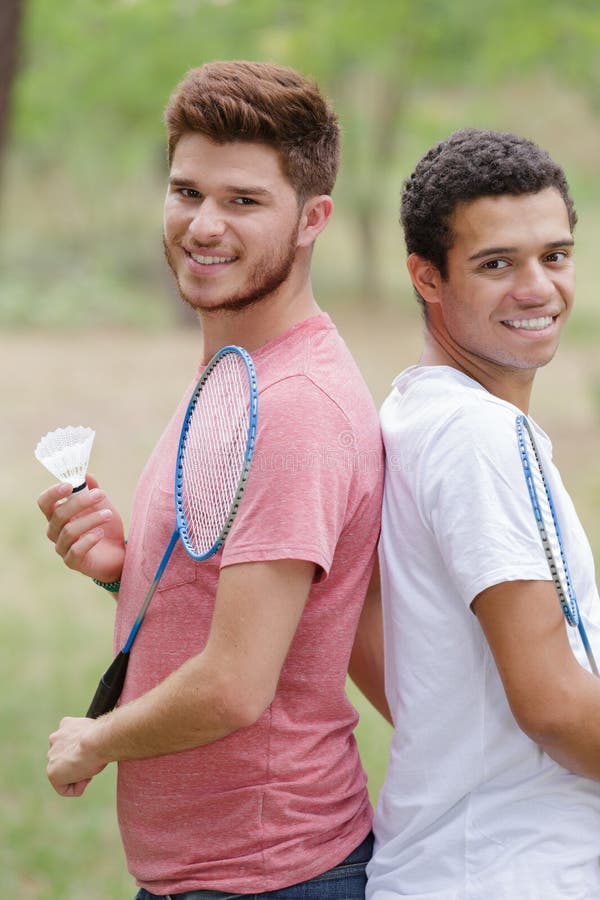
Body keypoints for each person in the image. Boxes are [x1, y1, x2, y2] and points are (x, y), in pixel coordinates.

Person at [38, 61, 386, 899]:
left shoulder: (294, 406)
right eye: (187, 191)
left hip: (271, 875)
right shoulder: (240, 363)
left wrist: (95, 740)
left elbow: (234, 686)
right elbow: (248, 600)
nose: (203, 225)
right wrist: (123, 569)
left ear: (313, 220)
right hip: (213, 874)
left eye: (243, 201)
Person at [366, 128, 600, 899]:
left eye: (555, 256)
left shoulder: (407, 416)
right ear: (426, 276)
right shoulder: (480, 435)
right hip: (512, 870)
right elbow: (554, 704)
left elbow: (374, 645)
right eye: (497, 264)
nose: (538, 289)